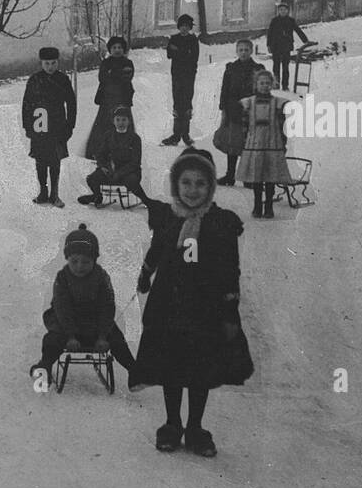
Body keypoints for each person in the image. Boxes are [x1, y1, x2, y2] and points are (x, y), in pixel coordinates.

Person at [132, 150, 253, 455]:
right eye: (186, 182)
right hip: (169, 307)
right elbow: (157, 248)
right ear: (176, 185)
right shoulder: (168, 217)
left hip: (205, 310)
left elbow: (230, 270)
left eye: (200, 183)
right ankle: (172, 424)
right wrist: (146, 274)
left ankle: (195, 427)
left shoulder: (220, 224)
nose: (192, 190)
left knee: (200, 370)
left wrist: (229, 310)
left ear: (210, 187)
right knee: (171, 367)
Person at [29, 223, 138, 387]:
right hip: (66, 324)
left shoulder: (101, 277)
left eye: (86, 262)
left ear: (94, 260)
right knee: (52, 340)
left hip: (95, 323)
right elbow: (62, 308)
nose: (80, 266)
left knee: (116, 338)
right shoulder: (63, 278)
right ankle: (44, 366)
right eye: (75, 261)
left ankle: (134, 371)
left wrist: (102, 336)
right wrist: (71, 336)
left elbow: (107, 307)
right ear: (67, 259)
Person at [22, 46, 77, 208]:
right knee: (40, 161)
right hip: (39, 128)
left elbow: (71, 104)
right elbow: (26, 105)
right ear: (41, 63)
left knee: (54, 161)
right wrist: (28, 127)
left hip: (57, 127)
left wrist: (70, 126)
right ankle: (42, 192)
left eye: (53, 63)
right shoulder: (34, 80)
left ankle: (54, 194)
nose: (50, 67)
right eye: (47, 63)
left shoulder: (63, 79)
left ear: (57, 62)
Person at [237, 68, 295, 218]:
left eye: (267, 83)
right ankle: (257, 206)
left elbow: (283, 125)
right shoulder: (248, 102)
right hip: (255, 143)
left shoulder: (277, 103)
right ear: (256, 84)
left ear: (272, 85)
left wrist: (283, 142)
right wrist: (244, 141)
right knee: (257, 176)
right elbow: (244, 123)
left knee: (270, 175)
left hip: (272, 142)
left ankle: (269, 206)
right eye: (261, 83)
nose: (264, 86)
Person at [78, 105, 151, 207]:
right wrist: (104, 167)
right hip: (111, 170)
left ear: (129, 121)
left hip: (129, 172)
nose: (121, 123)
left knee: (131, 181)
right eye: (118, 120)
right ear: (113, 121)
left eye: (124, 120)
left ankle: (146, 200)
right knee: (92, 178)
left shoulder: (135, 138)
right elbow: (100, 154)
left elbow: (135, 162)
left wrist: (119, 173)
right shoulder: (108, 135)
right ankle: (97, 196)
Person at [214, 39, 263, 186]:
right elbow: (225, 89)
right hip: (233, 110)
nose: (243, 52)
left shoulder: (258, 68)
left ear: (251, 51)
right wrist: (223, 109)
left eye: (246, 50)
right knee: (233, 143)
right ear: (236, 51)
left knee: (248, 144)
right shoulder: (231, 68)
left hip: (250, 111)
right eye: (240, 50)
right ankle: (230, 175)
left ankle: (247, 177)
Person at [84, 36, 135, 162]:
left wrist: (112, 74)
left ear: (123, 50)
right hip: (107, 99)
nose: (117, 50)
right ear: (110, 50)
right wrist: (114, 75)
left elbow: (126, 77)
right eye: (114, 48)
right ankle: (98, 151)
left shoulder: (128, 63)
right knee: (103, 125)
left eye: (119, 48)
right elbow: (103, 78)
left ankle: (125, 151)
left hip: (122, 99)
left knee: (123, 123)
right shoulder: (106, 63)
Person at [162, 13, 199, 146]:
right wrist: (183, 52)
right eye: (182, 26)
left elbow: (193, 57)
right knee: (177, 102)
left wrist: (178, 51)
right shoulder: (174, 38)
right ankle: (176, 135)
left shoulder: (193, 40)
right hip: (177, 75)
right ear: (179, 27)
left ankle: (186, 134)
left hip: (189, 75)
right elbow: (169, 54)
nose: (184, 28)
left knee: (187, 102)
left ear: (190, 28)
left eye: (187, 26)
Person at [265, 0, 312, 90]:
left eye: (284, 10)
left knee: (285, 67)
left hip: (286, 47)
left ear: (287, 11)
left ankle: (285, 85)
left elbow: (298, 31)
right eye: (281, 10)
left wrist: (305, 41)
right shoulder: (274, 21)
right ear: (278, 11)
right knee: (276, 66)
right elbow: (270, 33)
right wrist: (268, 45)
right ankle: (276, 84)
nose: (283, 11)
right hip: (276, 47)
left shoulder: (291, 21)